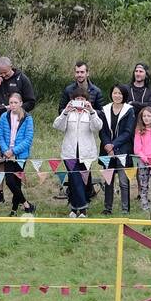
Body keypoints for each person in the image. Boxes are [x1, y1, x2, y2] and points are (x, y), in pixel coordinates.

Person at [54, 86, 102, 218]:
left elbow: (98, 126)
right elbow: (57, 126)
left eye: (82, 99)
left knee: (83, 181)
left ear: (87, 100)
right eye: (77, 99)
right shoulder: (68, 113)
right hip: (69, 152)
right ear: (72, 100)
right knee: (74, 179)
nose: (80, 102)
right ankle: (82, 208)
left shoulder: (90, 113)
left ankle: (75, 208)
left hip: (86, 153)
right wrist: (65, 111)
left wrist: (91, 111)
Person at [0, 91, 35, 214]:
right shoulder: (4, 116)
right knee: (9, 181)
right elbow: (0, 135)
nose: (13, 105)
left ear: (21, 103)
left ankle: (14, 209)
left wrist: (13, 151)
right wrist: (5, 150)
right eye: (11, 103)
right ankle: (26, 204)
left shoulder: (27, 118)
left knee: (16, 182)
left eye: (15, 103)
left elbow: (28, 139)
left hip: (19, 155)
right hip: (7, 154)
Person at [99, 85, 134, 215]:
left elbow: (128, 132)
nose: (117, 95)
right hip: (107, 150)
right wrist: (107, 145)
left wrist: (113, 145)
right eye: (115, 93)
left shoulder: (129, 110)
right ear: (111, 94)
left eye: (120, 93)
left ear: (124, 95)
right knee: (108, 181)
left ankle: (125, 209)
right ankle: (107, 208)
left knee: (124, 182)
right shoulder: (105, 109)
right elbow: (102, 131)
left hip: (123, 150)